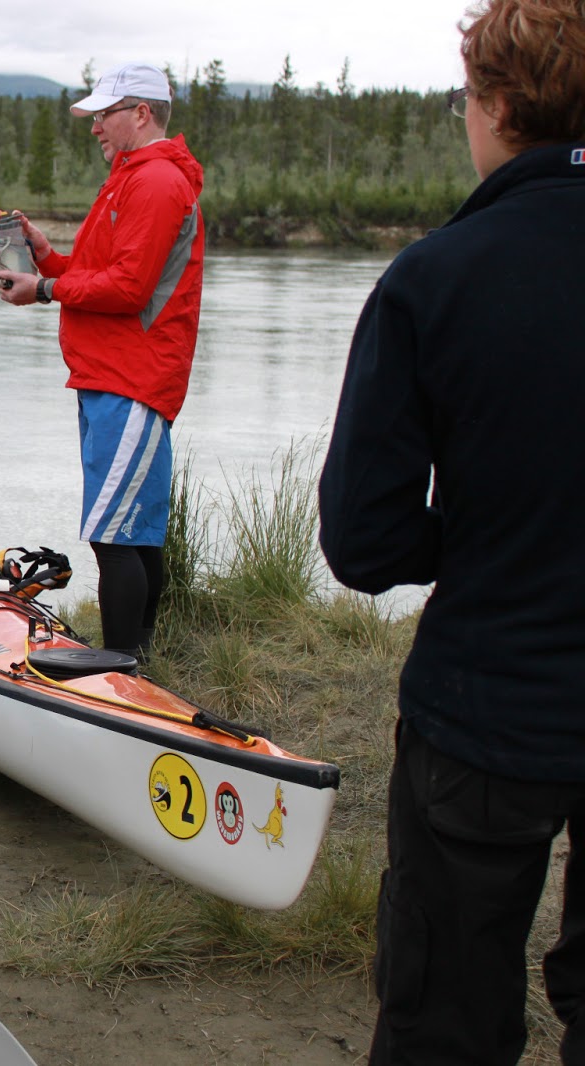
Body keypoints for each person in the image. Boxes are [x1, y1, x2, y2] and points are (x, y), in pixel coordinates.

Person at [316, 1, 585, 1060]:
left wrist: (470, 540)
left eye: (465, 100)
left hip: (487, 706)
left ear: (497, 106)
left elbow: (364, 541)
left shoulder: (433, 277)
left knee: (446, 1017)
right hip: (497, 701)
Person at [0, 63, 205, 661]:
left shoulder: (157, 182)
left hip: (133, 377)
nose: (95, 127)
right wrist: (46, 258)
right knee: (132, 534)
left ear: (141, 114)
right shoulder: (131, 178)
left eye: (105, 114)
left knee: (113, 537)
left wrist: (41, 290)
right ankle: (138, 657)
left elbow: (130, 289)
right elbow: (99, 273)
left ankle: (120, 674)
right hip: (113, 375)